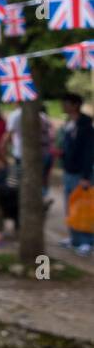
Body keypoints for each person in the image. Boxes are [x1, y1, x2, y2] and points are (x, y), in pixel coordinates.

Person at [59, 92, 94, 253]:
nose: (63, 106)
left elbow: (89, 152)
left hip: (81, 174)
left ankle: (86, 240)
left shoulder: (85, 126)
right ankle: (74, 238)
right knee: (70, 206)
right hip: (69, 171)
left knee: (84, 206)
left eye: (66, 103)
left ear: (74, 105)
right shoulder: (69, 124)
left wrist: (86, 176)